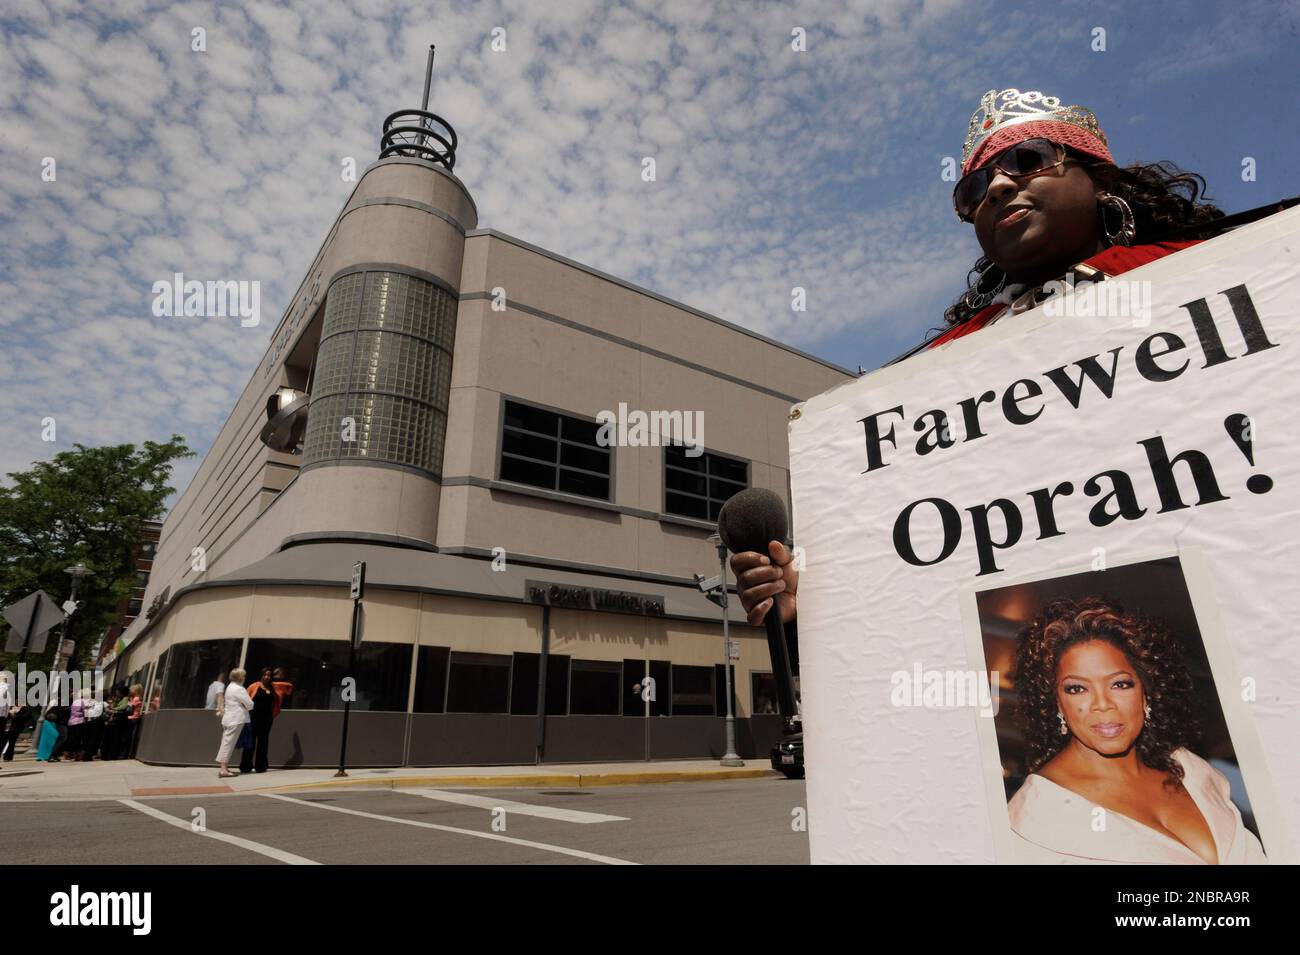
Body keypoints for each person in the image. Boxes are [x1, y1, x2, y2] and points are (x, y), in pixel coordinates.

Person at [731, 87, 1230, 643]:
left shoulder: (1233, 272)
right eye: (975, 188)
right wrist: (818, 606)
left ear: (1100, 177)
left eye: (1028, 158)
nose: (997, 186)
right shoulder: (937, 372)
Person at [1006, 597, 1265, 864]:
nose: (1103, 704)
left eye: (1120, 684)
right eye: (1077, 688)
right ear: (1057, 702)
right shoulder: (1034, 816)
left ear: (1146, 692)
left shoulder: (1188, 768)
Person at [240, 669, 280, 774]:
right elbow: (244, 699)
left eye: (269, 675)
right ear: (261, 676)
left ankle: (261, 766)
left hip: (266, 719)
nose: (267, 677)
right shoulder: (254, 686)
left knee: (263, 743)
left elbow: (284, 690)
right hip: (253, 718)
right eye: (265, 675)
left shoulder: (272, 687)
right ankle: (246, 766)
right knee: (250, 742)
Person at [216, 668, 253, 778]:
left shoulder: (230, 687)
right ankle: (223, 769)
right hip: (236, 719)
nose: (245, 678)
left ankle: (224, 767)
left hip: (229, 718)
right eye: (244, 676)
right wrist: (244, 706)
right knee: (228, 744)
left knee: (226, 743)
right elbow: (250, 704)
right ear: (240, 677)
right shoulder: (239, 689)